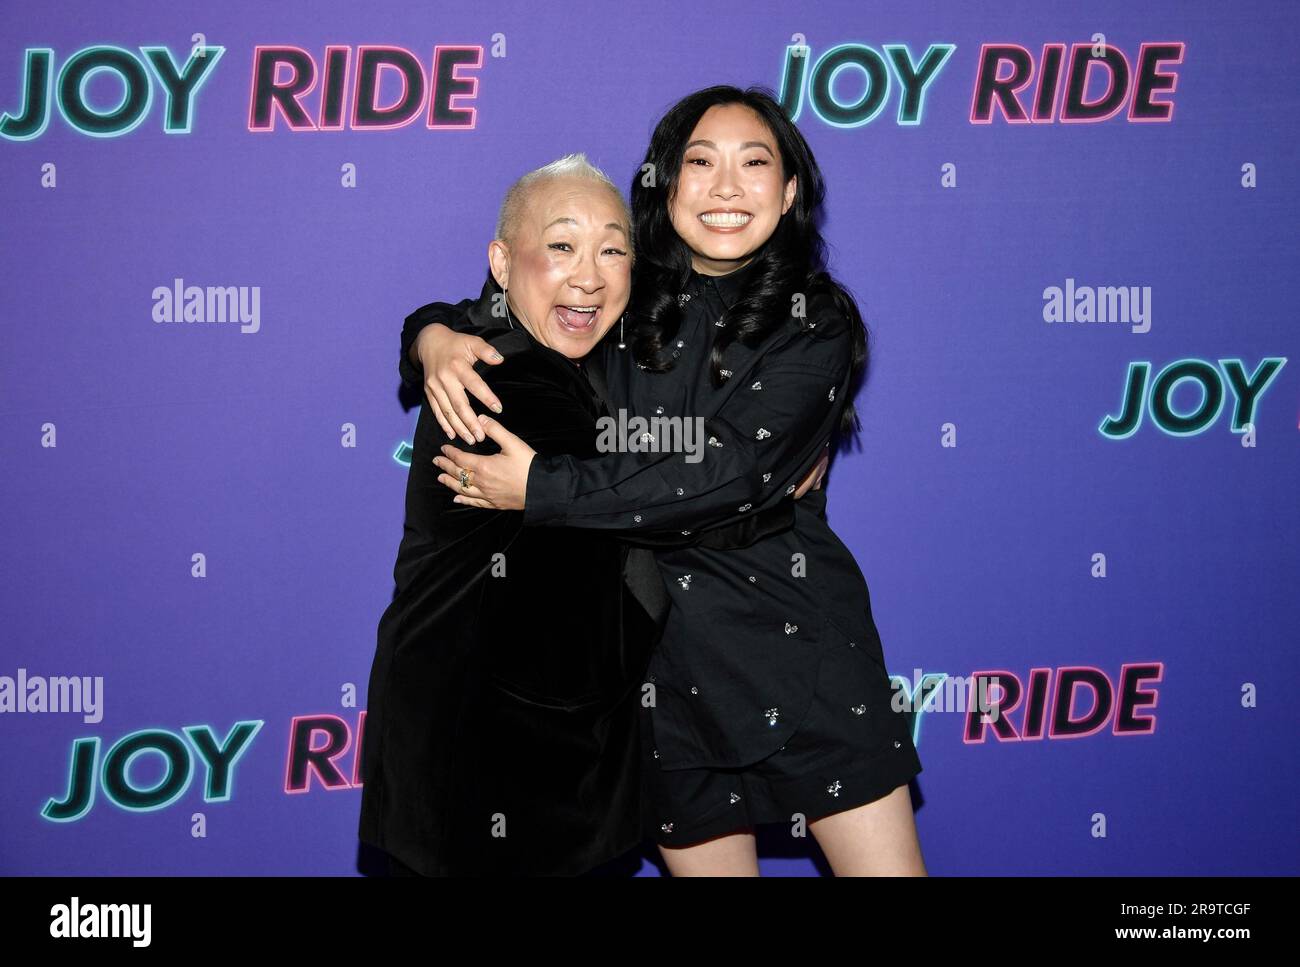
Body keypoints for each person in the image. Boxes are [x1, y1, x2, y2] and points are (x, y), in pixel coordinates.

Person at [406, 86, 928, 876]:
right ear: (665, 183)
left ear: (789, 193)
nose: (725, 187)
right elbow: (514, 300)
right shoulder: (620, 289)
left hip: (797, 644)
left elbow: (729, 467)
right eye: (699, 162)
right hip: (661, 668)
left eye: (755, 164)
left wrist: (544, 486)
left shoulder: (816, 322)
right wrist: (432, 336)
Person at [358, 153, 662, 877]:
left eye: (613, 249)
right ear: (503, 261)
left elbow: (443, 318)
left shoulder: (487, 342)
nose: (589, 274)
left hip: (485, 754)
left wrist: (427, 333)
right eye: (561, 246)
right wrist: (760, 457)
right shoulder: (509, 383)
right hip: (503, 769)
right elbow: (669, 490)